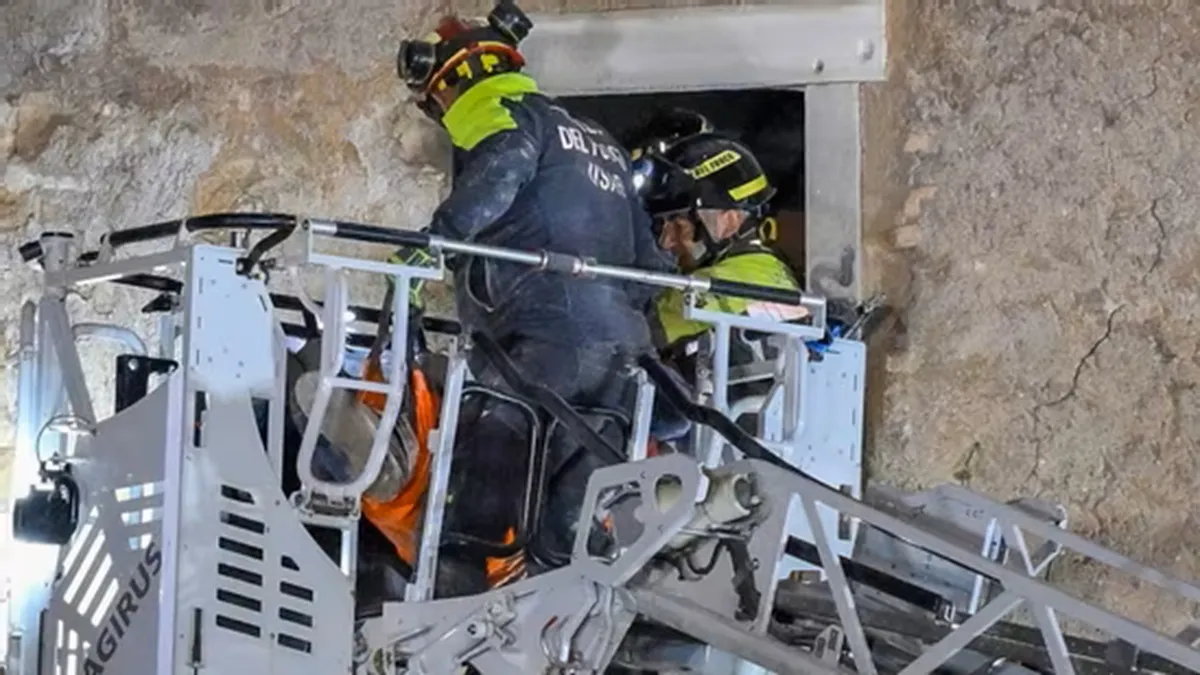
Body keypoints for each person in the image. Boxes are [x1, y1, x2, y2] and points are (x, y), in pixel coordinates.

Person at [390, 2, 664, 594]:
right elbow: (651, 263)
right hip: (620, 353)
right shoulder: (601, 144)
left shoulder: (495, 107)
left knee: (484, 480)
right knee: (570, 520)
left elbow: (502, 168)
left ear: (450, 84)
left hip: (536, 340)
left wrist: (434, 243)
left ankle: (449, 604)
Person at [632, 128, 803, 378]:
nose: (667, 242)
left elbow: (626, 334)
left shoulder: (707, 286)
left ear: (730, 220)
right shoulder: (774, 272)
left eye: (680, 227)